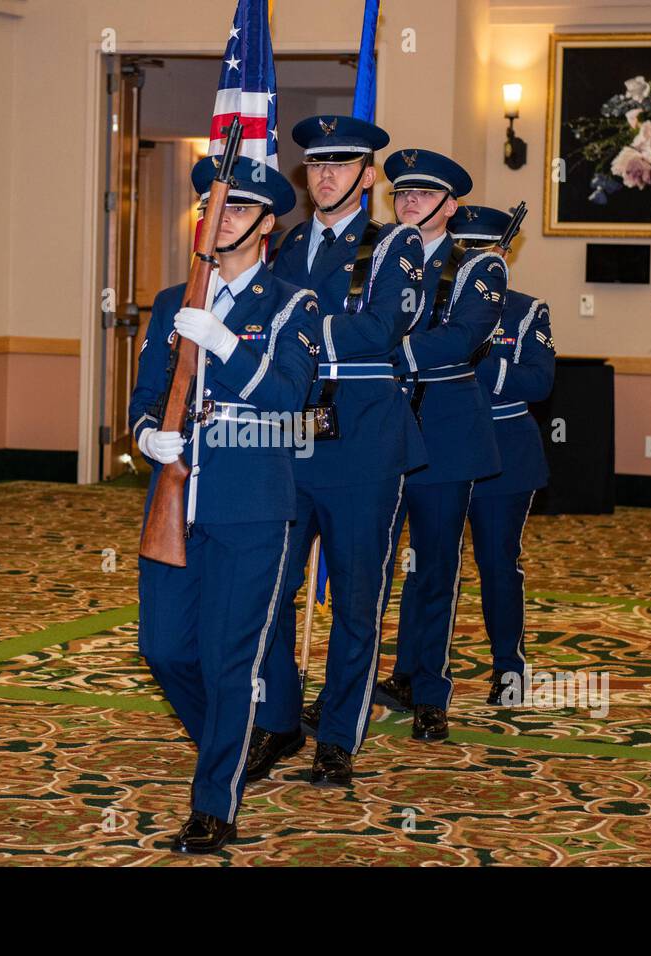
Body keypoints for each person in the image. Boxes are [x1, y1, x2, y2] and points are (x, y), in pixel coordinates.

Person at [131, 155, 321, 853]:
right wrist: (148, 432)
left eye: (238, 211)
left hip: (252, 507)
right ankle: (233, 737)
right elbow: (148, 390)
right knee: (164, 648)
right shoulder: (169, 300)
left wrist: (223, 344)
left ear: (267, 224)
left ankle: (215, 802)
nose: (220, 220)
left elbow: (288, 396)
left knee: (228, 660)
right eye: (213, 209)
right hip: (175, 502)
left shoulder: (291, 304)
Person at [245, 114, 426, 787]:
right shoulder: (288, 246)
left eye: (340, 166)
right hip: (292, 436)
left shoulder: (391, 246)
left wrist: (296, 327)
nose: (324, 176)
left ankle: (341, 734)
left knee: (355, 598)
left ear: (366, 175)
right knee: (268, 588)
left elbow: (380, 329)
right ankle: (283, 720)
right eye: (316, 166)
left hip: (363, 443)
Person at [369, 152, 506, 741]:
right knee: (367, 566)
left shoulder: (479, 268)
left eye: (425, 196)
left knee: (434, 568)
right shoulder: (372, 259)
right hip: (376, 429)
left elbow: (463, 335)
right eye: (402, 194)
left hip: (444, 435)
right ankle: (368, 683)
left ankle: (428, 688)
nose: (410, 203)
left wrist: (381, 353)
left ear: (451, 206)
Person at [453, 205, 556, 706]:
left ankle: (508, 669)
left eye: (482, 250)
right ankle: (416, 673)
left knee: (497, 563)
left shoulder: (526, 310)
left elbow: (540, 382)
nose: (471, 259)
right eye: (463, 249)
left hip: (504, 452)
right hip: (443, 450)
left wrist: (484, 362)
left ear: (503, 254)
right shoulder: (431, 307)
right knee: (430, 567)